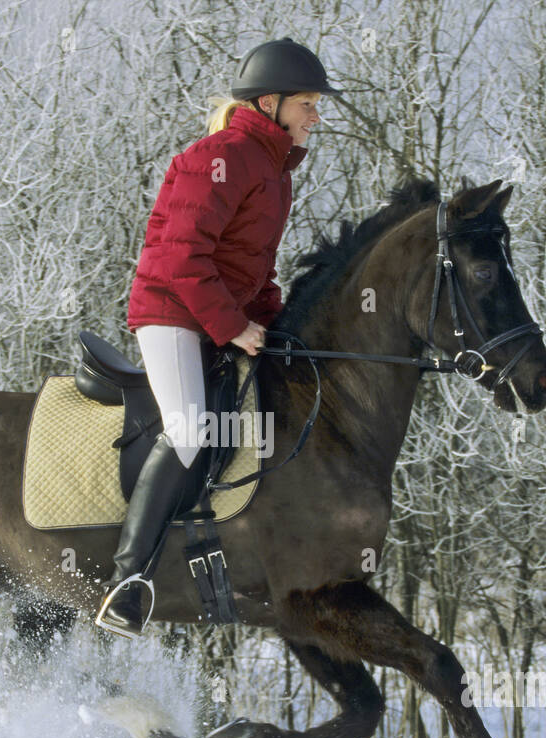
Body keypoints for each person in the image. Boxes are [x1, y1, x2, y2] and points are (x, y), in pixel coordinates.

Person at [95, 37, 340, 638]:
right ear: (270, 102)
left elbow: (254, 271)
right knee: (191, 427)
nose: (316, 115)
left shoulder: (276, 172)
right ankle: (127, 583)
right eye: (308, 103)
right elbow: (183, 257)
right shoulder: (220, 155)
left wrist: (278, 322)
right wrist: (233, 326)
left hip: (214, 312)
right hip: (172, 311)